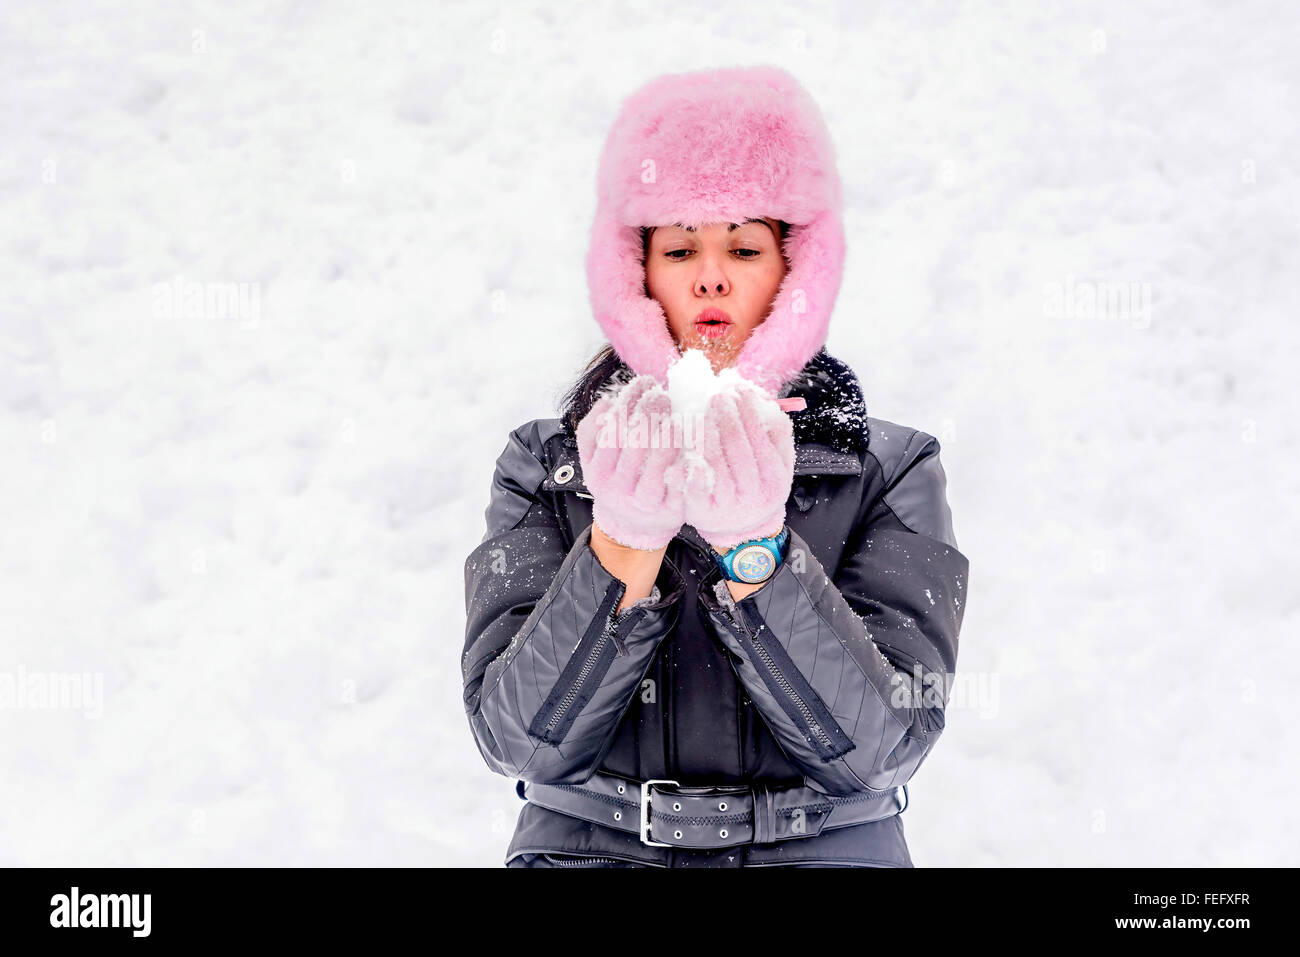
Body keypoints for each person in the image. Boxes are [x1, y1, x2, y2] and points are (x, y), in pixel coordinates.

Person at [462, 65, 970, 867]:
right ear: (634, 271)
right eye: (679, 246)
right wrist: (620, 545)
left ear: (796, 268)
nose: (711, 274)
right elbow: (518, 742)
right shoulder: (550, 465)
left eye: (743, 244)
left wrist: (755, 553)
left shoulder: (888, 469)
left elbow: (885, 748)